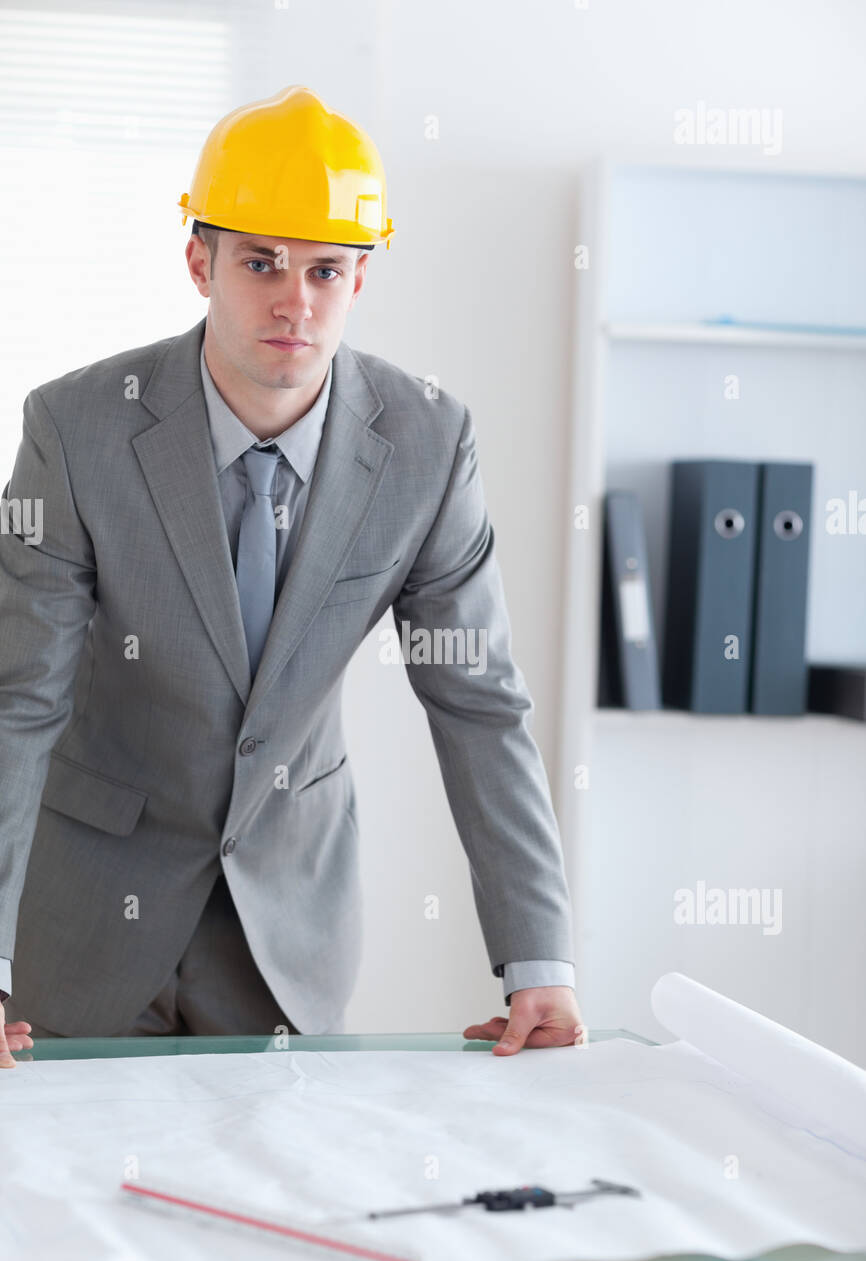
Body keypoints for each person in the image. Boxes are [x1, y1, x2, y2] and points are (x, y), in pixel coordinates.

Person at [0, 85, 584, 1066]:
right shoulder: (78, 429)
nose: (294, 300)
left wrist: (539, 962)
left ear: (360, 278)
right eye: (261, 262)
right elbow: (18, 700)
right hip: (88, 913)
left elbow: (478, 702)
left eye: (325, 269)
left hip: (286, 926)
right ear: (200, 261)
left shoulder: (425, 445)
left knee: (267, 1201)